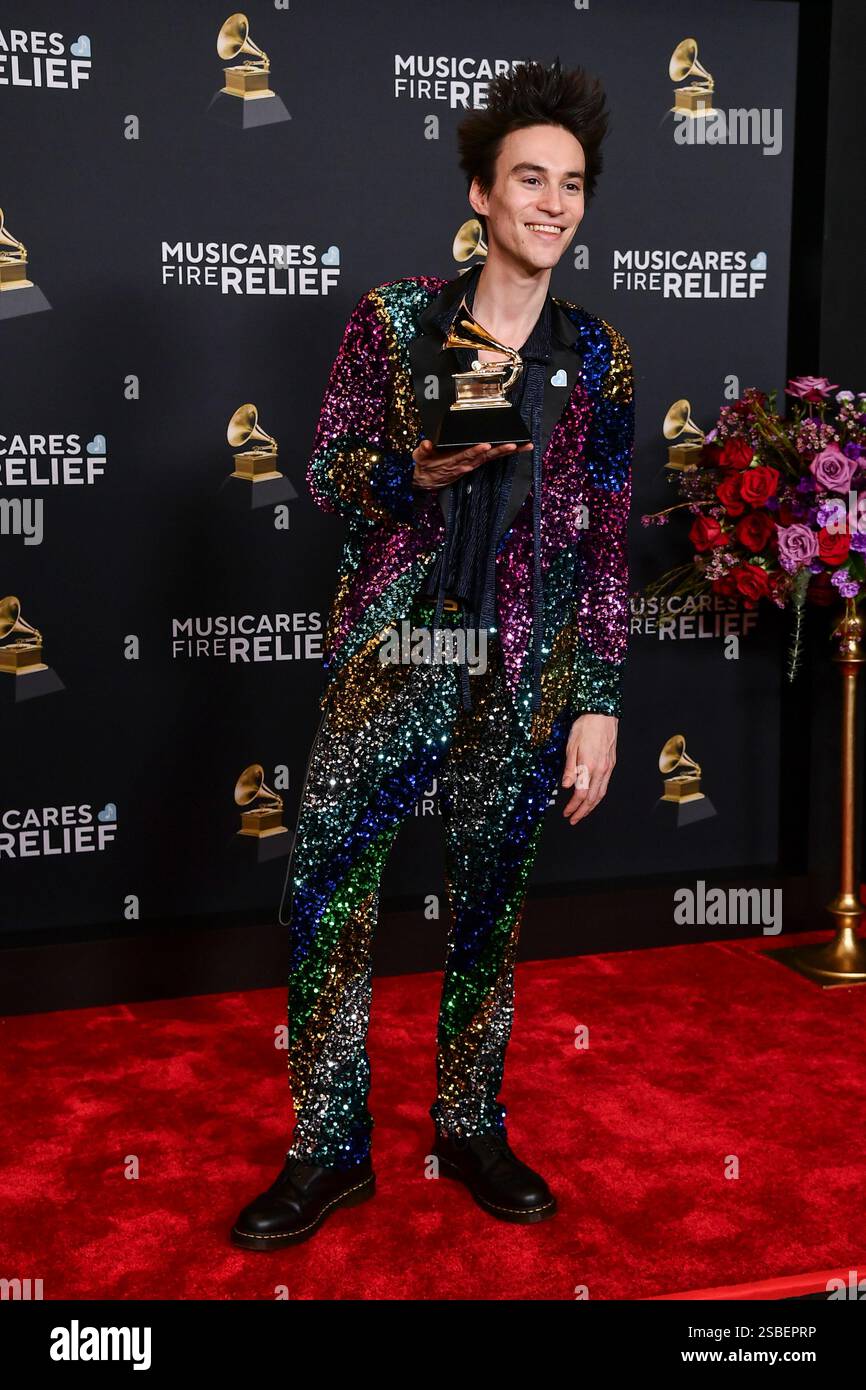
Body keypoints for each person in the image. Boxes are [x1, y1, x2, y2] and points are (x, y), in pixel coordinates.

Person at [231, 57, 634, 1250]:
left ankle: (467, 1122)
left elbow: (604, 541)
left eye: (569, 185)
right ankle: (326, 1149)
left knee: (489, 909)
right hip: (397, 651)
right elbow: (327, 473)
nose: (550, 203)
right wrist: (416, 470)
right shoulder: (394, 319)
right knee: (331, 896)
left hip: (521, 675)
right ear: (478, 192)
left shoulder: (598, 356)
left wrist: (598, 699)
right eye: (527, 179)